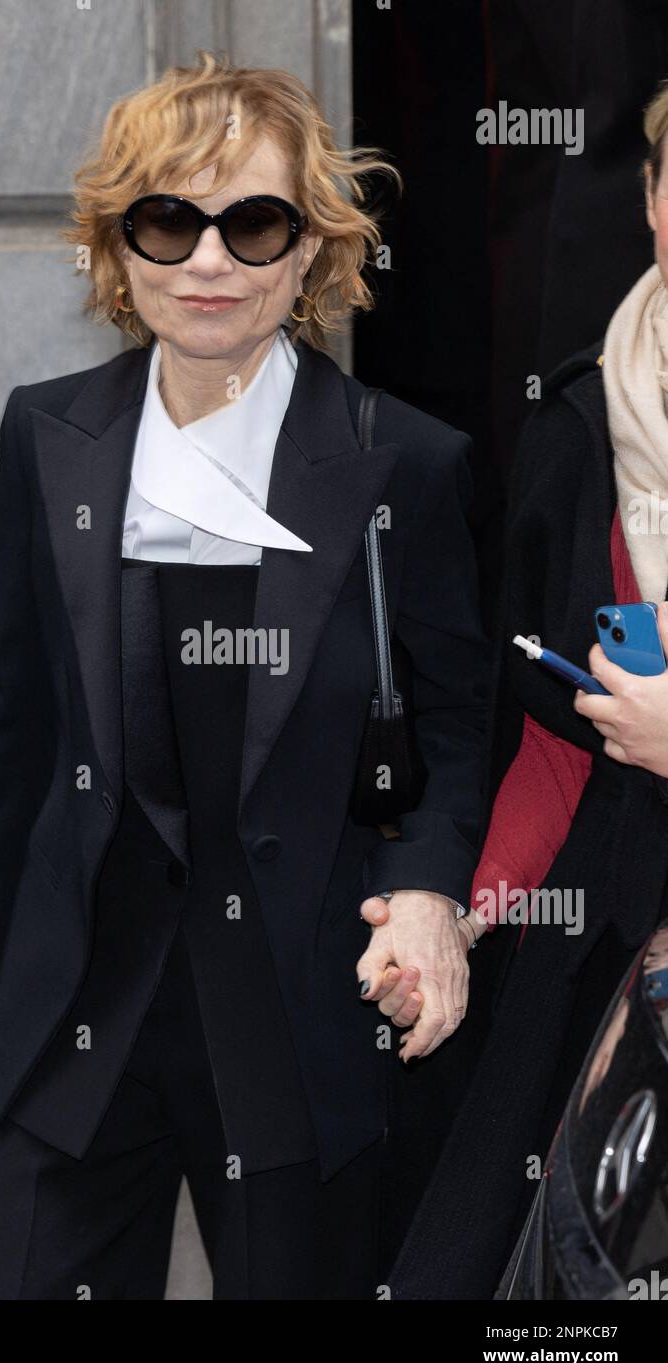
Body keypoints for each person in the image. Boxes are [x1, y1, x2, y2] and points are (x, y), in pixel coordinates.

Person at [0, 51, 491, 1300]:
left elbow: (453, 728)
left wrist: (424, 898)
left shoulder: (404, 461)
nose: (208, 260)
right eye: (168, 220)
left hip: (294, 1017)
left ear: (311, 251)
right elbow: (14, 724)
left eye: (254, 222)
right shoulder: (49, 437)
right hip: (77, 1000)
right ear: (116, 248)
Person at [389, 77, 668, 1300]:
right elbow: (551, 745)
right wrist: (460, 908)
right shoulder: (572, 426)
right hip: (596, 949)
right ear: (652, 201)